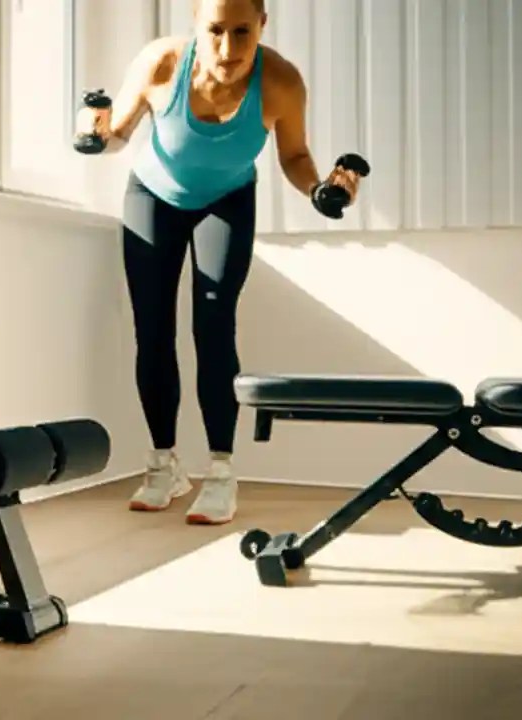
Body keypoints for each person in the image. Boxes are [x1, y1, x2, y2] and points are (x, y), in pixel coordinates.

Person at [79, 0, 363, 524]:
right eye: (215, 31)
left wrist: (319, 190)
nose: (228, 49)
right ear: (195, 26)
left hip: (228, 199)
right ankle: (163, 464)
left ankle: (220, 472)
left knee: (213, 326)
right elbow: (116, 131)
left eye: (241, 32)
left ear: (262, 26)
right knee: (153, 331)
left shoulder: (279, 82)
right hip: (153, 196)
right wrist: (94, 135)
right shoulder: (161, 63)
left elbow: (295, 157)